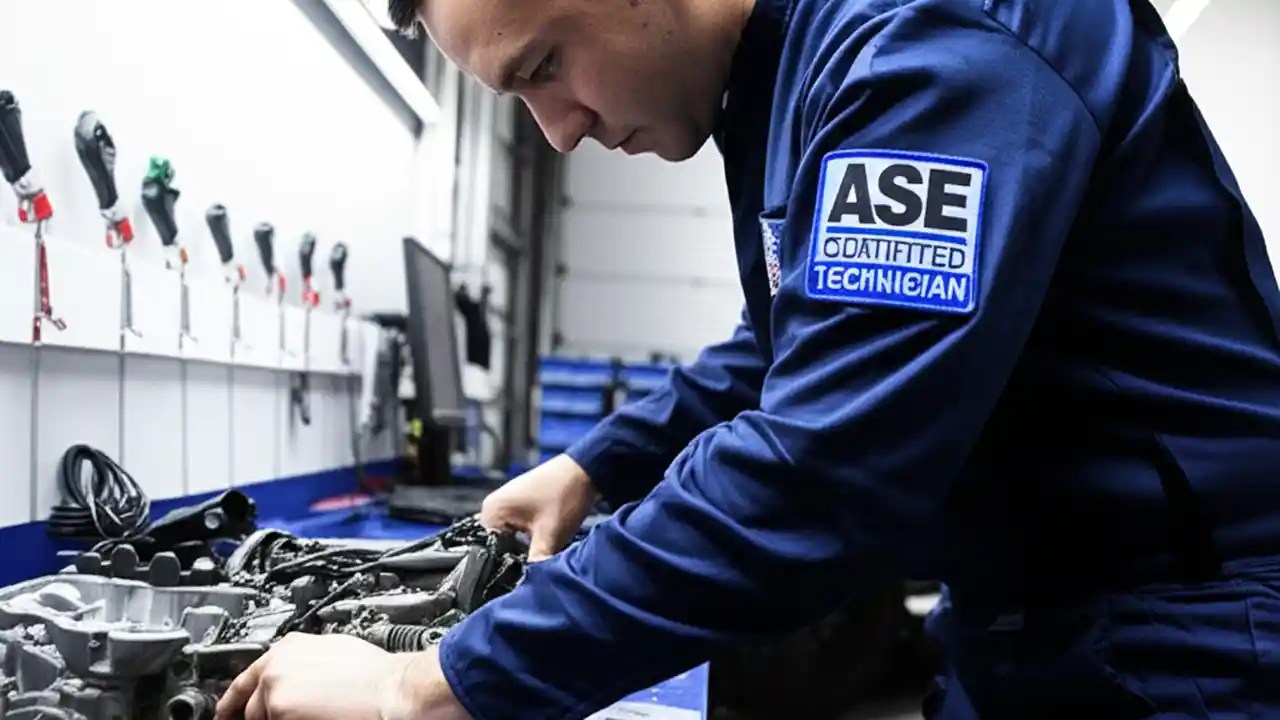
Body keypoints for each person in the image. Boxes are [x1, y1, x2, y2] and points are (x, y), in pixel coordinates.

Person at [215, 0, 1280, 717]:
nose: (557, 131)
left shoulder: (929, 48)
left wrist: (425, 687)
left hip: (1188, 643)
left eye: (544, 66)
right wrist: (594, 464)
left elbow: (823, 465)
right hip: (1021, 621)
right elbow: (788, 344)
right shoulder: (788, 65)